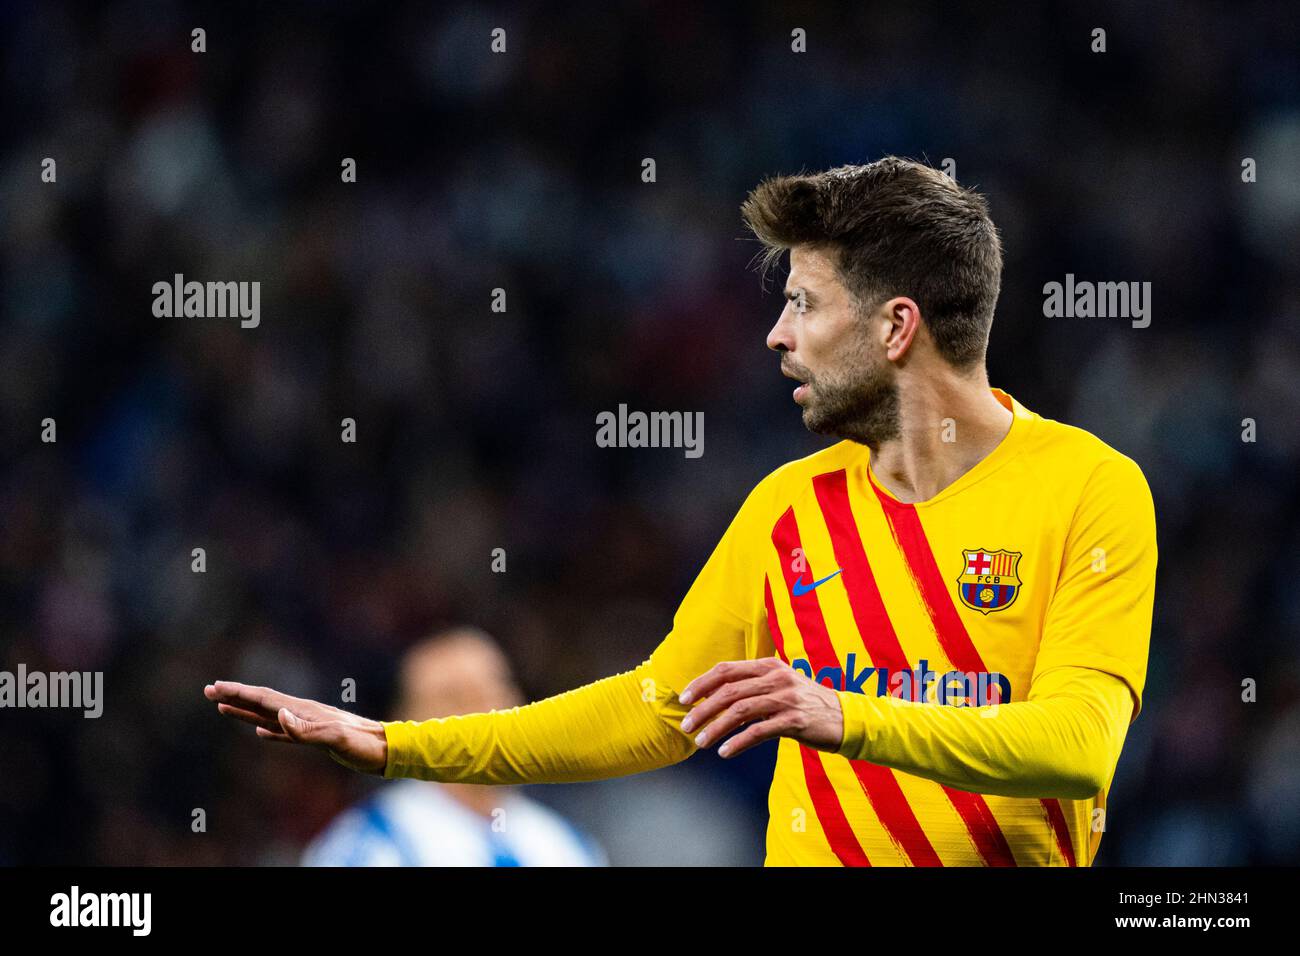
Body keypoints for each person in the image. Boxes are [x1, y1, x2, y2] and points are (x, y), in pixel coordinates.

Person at [206, 157, 1157, 866]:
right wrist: (394, 747)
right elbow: (654, 708)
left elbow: (1077, 745)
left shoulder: (1089, 487)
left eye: (805, 305)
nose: (777, 334)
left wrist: (848, 717)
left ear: (896, 326)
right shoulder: (790, 509)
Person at [301, 628, 604, 866]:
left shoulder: (566, 844)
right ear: (403, 720)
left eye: (494, 687)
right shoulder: (368, 847)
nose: (484, 708)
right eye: (454, 696)